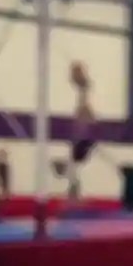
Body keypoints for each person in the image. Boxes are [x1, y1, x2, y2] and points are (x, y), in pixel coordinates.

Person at [52, 61, 96, 201]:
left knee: (83, 110)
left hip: (84, 135)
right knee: (82, 110)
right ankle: (73, 192)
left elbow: (84, 110)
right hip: (83, 136)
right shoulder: (74, 160)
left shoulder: (74, 158)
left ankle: (73, 192)